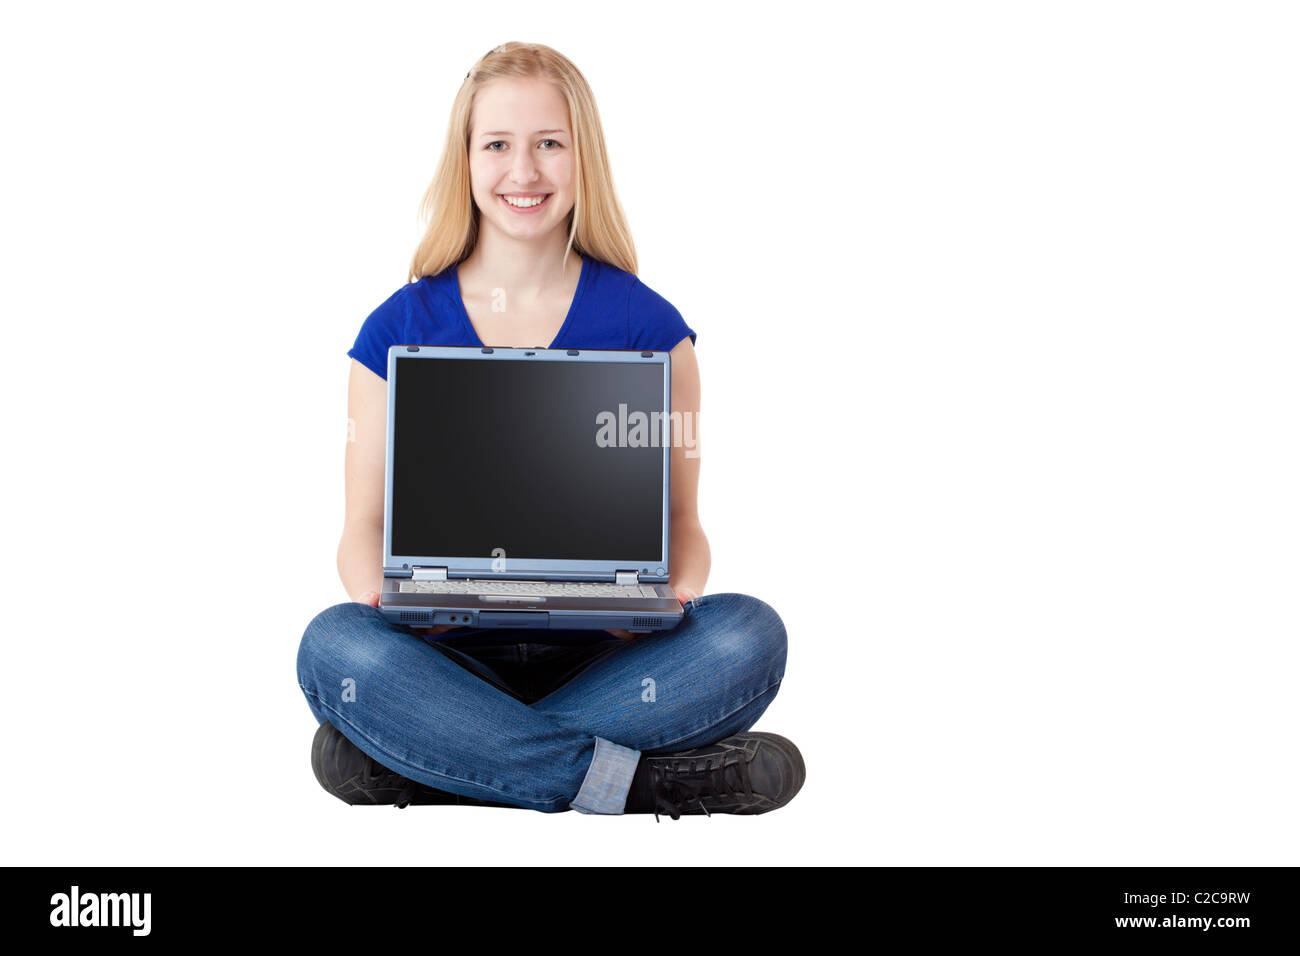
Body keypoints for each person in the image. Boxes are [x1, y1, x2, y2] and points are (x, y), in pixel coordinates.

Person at [296, 42, 804, 819]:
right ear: (465, 159)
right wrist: (384, 594)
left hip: (612, 661)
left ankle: (435, 763)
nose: (523, 172)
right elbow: (361, 529)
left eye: (549, 144)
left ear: (582, 156)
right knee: (336, 646)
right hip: (448, 663)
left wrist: (671, 596)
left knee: (747, 635)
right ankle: (642, 783)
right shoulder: (396, 329)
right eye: (497, 144)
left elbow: (683, 525)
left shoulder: (651, 328)